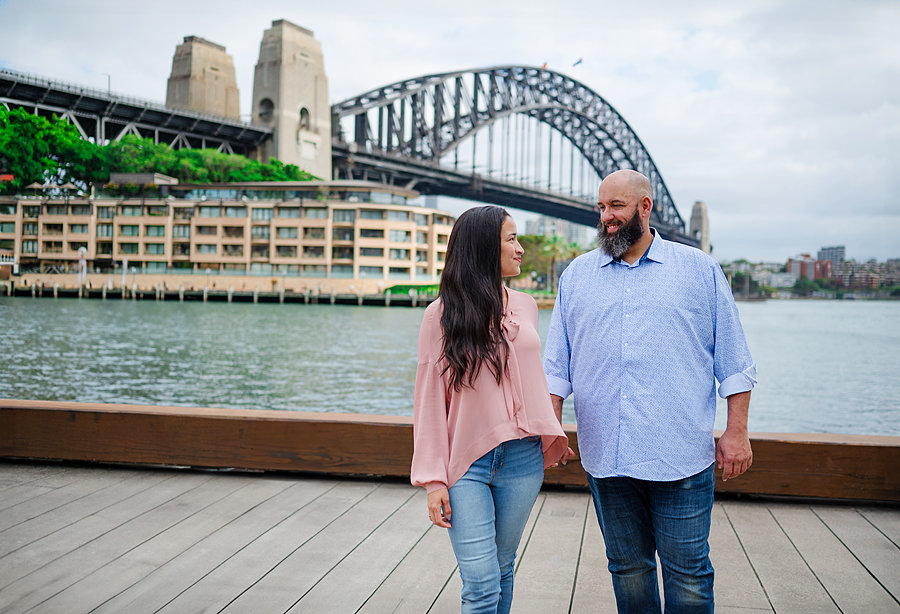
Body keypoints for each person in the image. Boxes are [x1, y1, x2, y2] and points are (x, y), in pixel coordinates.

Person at [543, 170, 757, 613]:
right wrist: (552, 427)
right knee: (627, 567)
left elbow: (734, 363)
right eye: (601, 208)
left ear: (645, 207)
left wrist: (736, 433)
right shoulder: (577, 276)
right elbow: (555, 369)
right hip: (607, 457)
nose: (606, 218)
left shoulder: (699, 270)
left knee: (689, 572)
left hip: (679, 455)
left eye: (616, 207)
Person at [411, 205, 573, 614]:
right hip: (468, 462)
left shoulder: (528, 305)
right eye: (511, 239)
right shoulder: (441, 314)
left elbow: (534, 377)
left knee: (501, 569)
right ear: (485, 247)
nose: (520, 249)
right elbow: (430, 400)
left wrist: (549, 428)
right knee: (481, 583)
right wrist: (434, 481)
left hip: (522, 458)